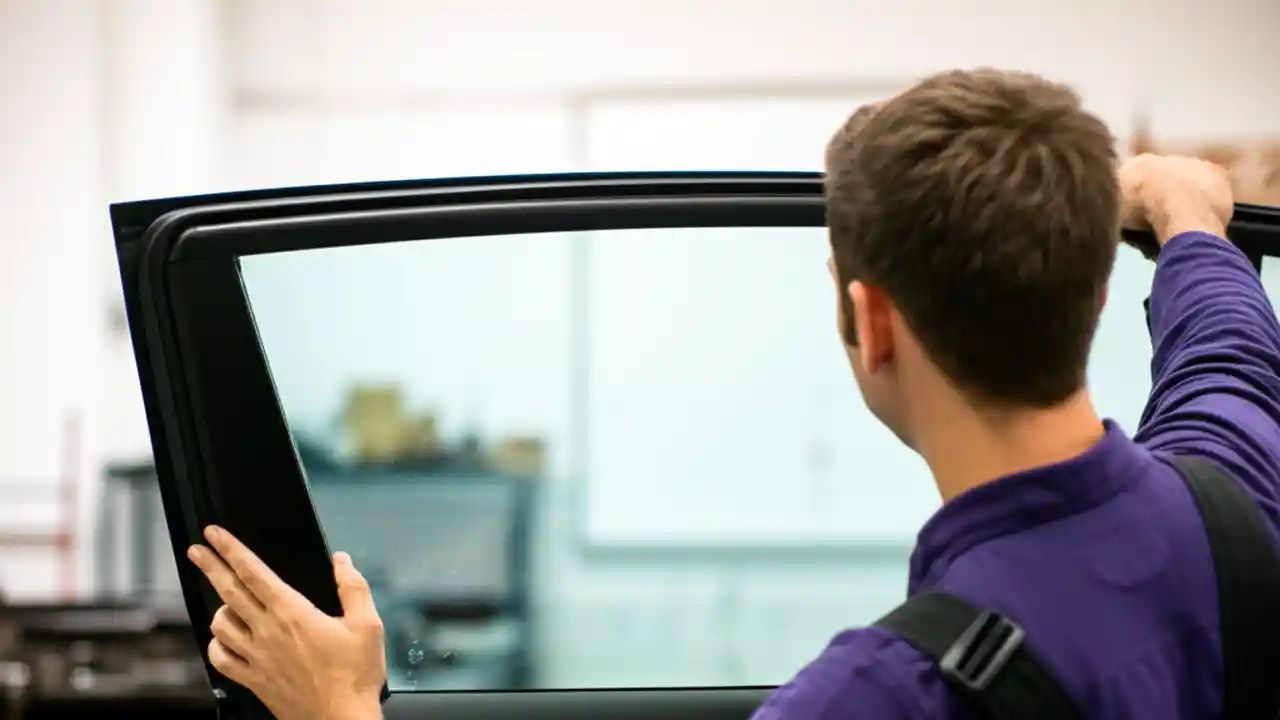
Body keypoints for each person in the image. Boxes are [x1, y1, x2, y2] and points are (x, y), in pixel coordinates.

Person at [185, 68, 1280, 719]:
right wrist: (1185, 218)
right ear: (1095, 296)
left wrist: (336, 711)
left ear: (870, 322)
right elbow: (1226, 346)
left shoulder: (875, 698)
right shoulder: (1232, 493)